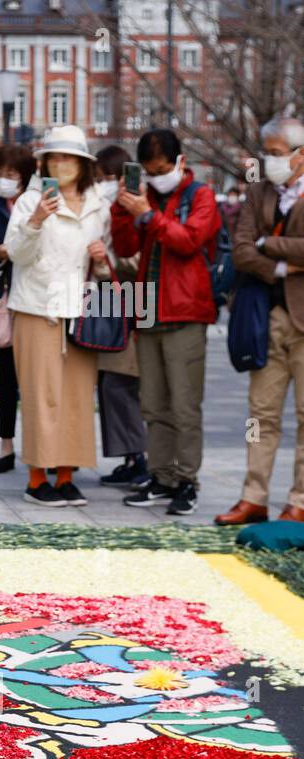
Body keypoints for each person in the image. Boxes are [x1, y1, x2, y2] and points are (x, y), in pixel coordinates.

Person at [113, 128, 221, 516]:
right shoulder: (144, 198)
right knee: (153, 403)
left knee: (184, 404)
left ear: (179, 162)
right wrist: (122, 211)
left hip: (186, 311)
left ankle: (187, 480)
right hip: (147, 310)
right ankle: (161, 476)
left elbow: (189, 240)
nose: (156, 177)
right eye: (149, 171)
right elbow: (124, 247)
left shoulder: (200, 196)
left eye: (161, 170)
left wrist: (148, 215)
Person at [4, 125, 111, 507]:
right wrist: (35, 221)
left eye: (69, 157)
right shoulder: (30, 200)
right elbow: (15, 252)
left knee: (76, 396)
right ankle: (37, 478)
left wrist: (102, 259)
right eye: (54, 157)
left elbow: (106, 261)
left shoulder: (98, 203)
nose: (61, 164)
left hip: (81, 308)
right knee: (41, 394)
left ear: (83, 164)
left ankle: (66, 475)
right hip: (38, 307)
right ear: (44, 163)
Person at [216, 116, 304, 526]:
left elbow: (259, 246)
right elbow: (242, 251)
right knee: (258, 416)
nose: (270, 161)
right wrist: (282, 266)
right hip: (265, 318)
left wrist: (270, 243)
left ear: (300, 155)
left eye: (277, 153)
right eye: (266, 153)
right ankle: (253, 495)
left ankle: (299, 501)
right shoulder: (257, 192)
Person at [93, 144, 150, 490]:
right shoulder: (102, 205)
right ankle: (130, 457)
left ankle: (140, 456)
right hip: (108, 295)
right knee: (110, 380)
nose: (101, 183)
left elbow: (139, 257)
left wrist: (107, 262)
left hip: (134, 295)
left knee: (122, 379)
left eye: (105, 177)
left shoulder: (138, 206)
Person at [0, 144, 37, 474]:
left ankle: (41, 445)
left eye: (11, 174)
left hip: (40, 298)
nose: (4, 179)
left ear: (25, 176)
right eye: (0, 173)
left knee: (39, 377)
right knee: (7, 377)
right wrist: (0, 254)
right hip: (10, 300)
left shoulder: (39, 204)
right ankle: (6, 445)